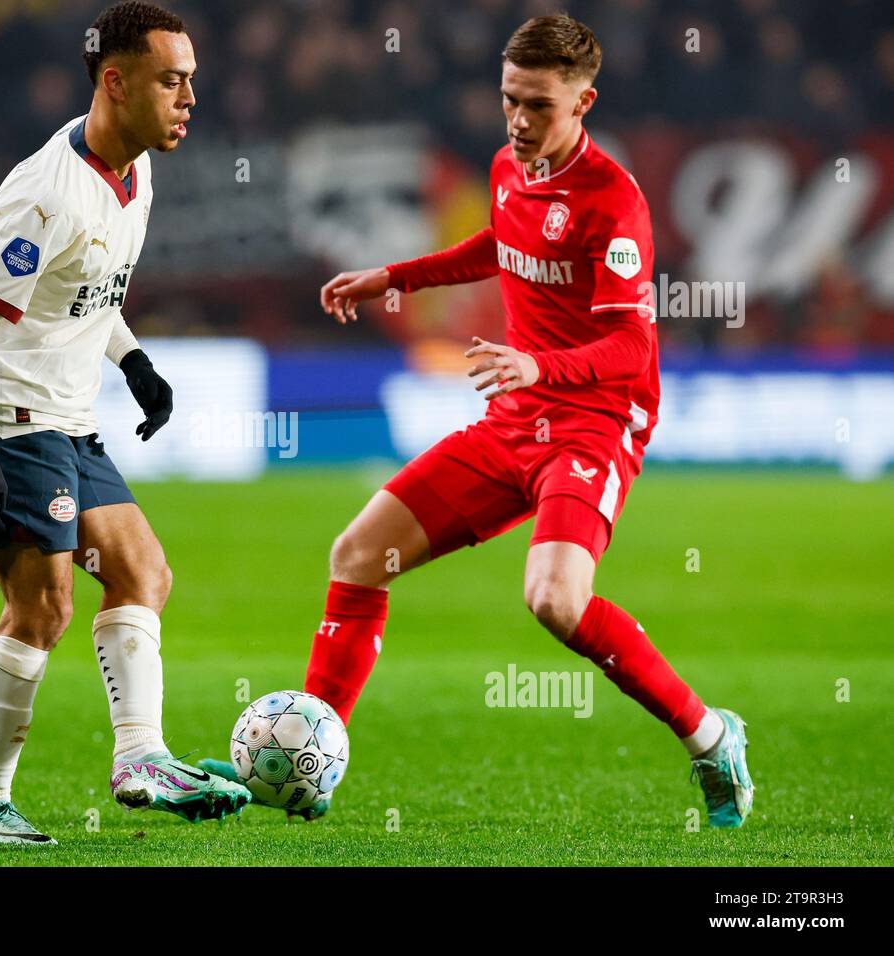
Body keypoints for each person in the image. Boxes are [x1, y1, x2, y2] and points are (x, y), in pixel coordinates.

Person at [204, 13, 754, 829]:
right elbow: (498, 244)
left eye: (538, 105)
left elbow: (632, 343)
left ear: (584, 102)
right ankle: (312, 752)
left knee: (556, 601)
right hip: (517, 416)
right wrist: (393, 277)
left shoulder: (612, 201)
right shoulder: (507, 165)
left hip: (593, 423)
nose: (519, 120)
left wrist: (540, 365)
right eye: (509, 100)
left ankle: (712, 738)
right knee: (358, 554)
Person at [0, 1, 249, 847]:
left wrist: (133, 360)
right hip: (11, 417)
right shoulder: (46, 196)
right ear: (115, 82)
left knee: (145, 572)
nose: (189, 98)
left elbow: (89, 293)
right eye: (170, 81)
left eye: (191, 81)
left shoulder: (137, 170)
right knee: (42, 607)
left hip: (72, 419)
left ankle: (141, 757)